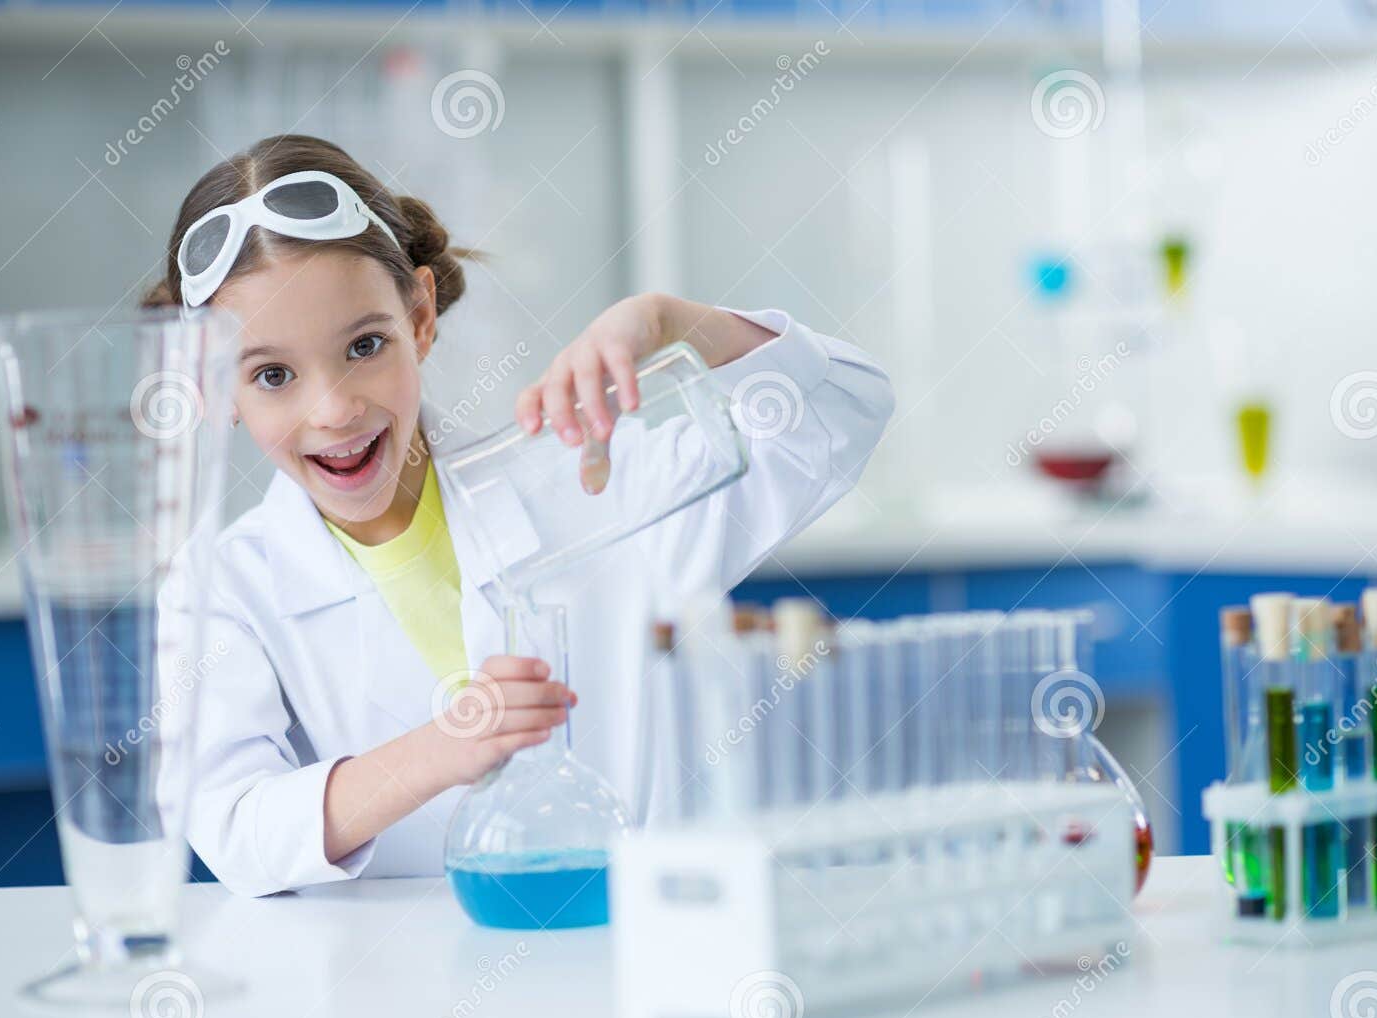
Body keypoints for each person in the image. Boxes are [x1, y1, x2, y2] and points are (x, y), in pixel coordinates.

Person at [149, 133, 892, 897]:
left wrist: (670, 323)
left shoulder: (584, 479)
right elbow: (236, 831)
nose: (334, 409)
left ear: (422, 316)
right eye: (272, 374)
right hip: (388, 1001)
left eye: (365, 345)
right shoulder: (225, 588)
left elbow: (839, 418)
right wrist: (445, 746)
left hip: (634, 962)